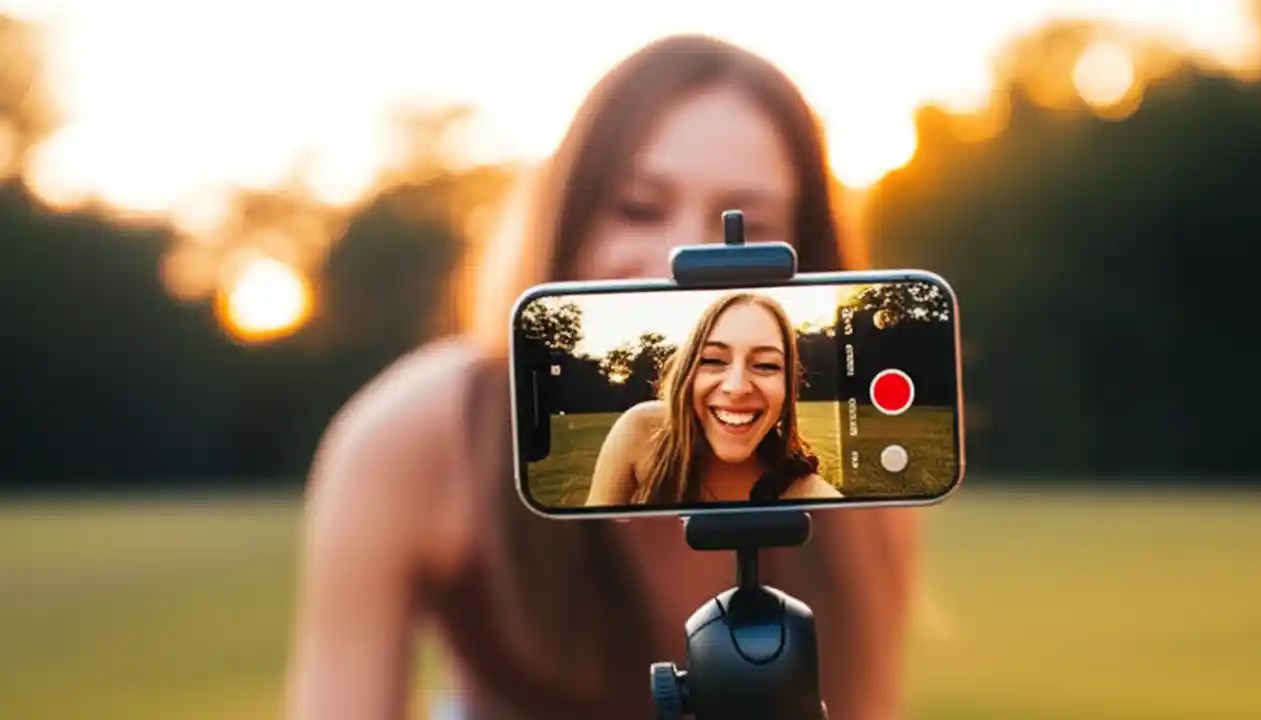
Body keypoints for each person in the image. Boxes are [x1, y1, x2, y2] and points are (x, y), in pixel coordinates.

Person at [286, 34, 919, 720]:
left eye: (747, 223)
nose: (680, 256)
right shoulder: (413, 433)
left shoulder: (846, 468)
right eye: (638, 208)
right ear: (570, 219)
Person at [584, 292, 843, 506]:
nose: (737, 387)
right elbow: (585, 551)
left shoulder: (811, 499)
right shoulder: (642, 430)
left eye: (766, 365)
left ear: (788, 390)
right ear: (688, 372)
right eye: (713, 360)